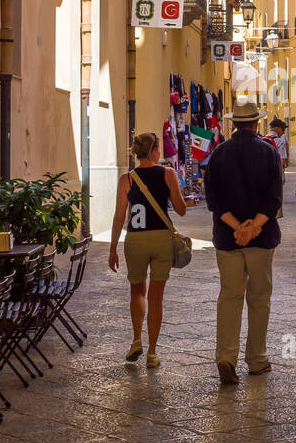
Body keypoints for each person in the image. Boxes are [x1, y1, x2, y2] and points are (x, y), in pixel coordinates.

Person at [203, 96, 282, 384]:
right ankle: (257, 360)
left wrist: (238, 227)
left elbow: (214, 200)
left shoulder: (219, 153)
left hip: (227, 238)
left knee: (229, 296)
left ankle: (226, 356)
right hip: (261, 239)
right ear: (256, 122)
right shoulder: (268, 152)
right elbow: (273, 199)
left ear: (233, 124)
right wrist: (253, 227)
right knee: (259, 299)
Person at [108, 131, 187, 368]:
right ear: (153, 151)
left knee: (137, 292)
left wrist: (113, 248)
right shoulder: (168, 174)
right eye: (159, 148)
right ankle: (152, 352)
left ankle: (135, 341)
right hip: (161, 240)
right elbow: (181, 210)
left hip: (136, 241)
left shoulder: (127, 179)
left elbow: (119, 217)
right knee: (156, 296)